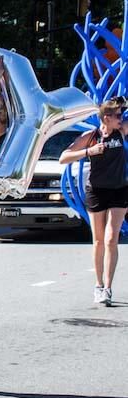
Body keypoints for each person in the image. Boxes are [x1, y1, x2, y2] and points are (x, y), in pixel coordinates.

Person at [60, 97, 128, 307]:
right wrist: (89, 151)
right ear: (106, 118)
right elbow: (64, 157)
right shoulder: (90, 136)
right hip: (96, 191)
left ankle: (108, 287)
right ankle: (98, 285)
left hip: (119, 190)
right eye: (118, 115)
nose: (121, 118)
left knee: (111, 239)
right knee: (98, 241)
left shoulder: (121, 131)